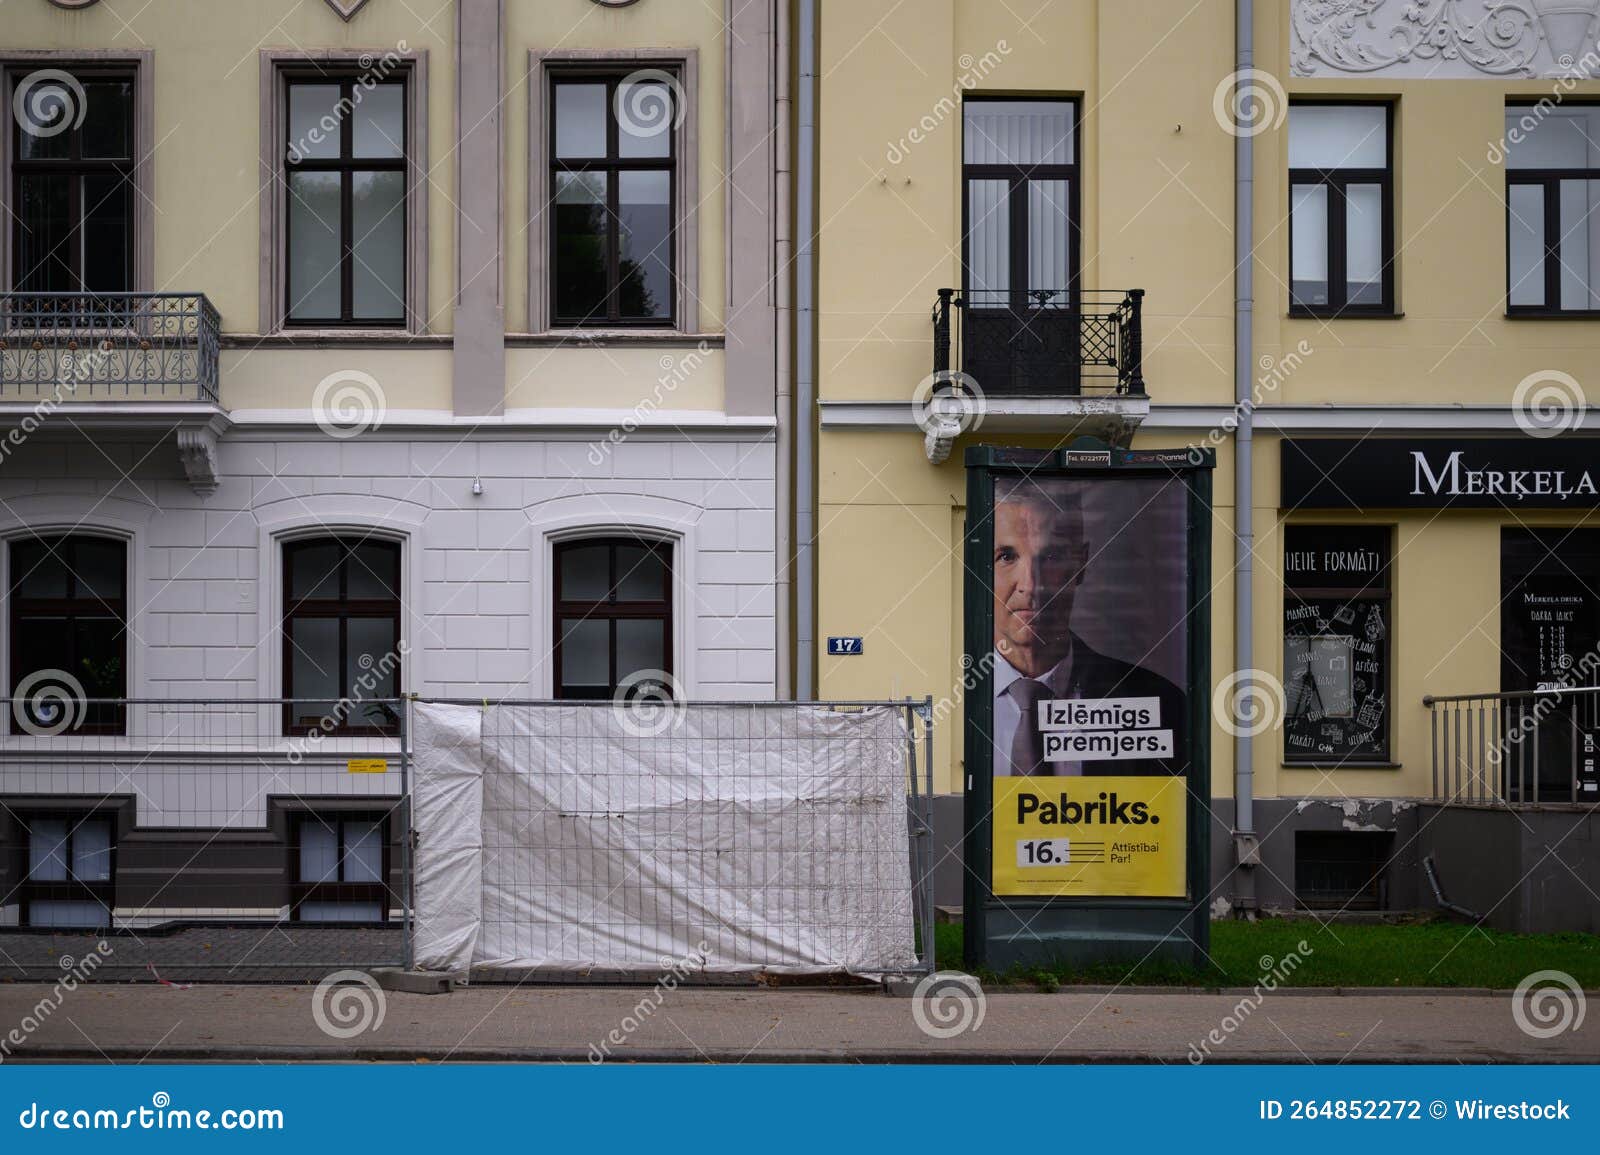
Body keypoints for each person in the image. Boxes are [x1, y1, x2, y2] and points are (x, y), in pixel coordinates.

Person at [991, 478, 1184, 776]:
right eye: (1006, 556)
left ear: (1080, 563)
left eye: (1052, 557)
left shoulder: (1159, 703)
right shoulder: (951, 702)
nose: (1030, 585)